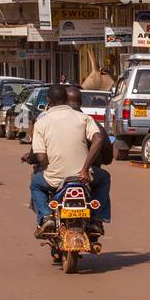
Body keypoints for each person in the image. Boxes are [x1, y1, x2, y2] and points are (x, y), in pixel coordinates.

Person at [24, 83, 110, 236]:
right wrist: (84, 169)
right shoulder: (84, 118)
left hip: (54, 179)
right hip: (83, 177)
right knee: (104, 178)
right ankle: (97, 218)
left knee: (35, 184)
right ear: (66, 100)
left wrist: (47, 165)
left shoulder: (41, 122)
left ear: (49, 101)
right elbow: (99, 139)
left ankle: (45, 215)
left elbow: (41, 157)